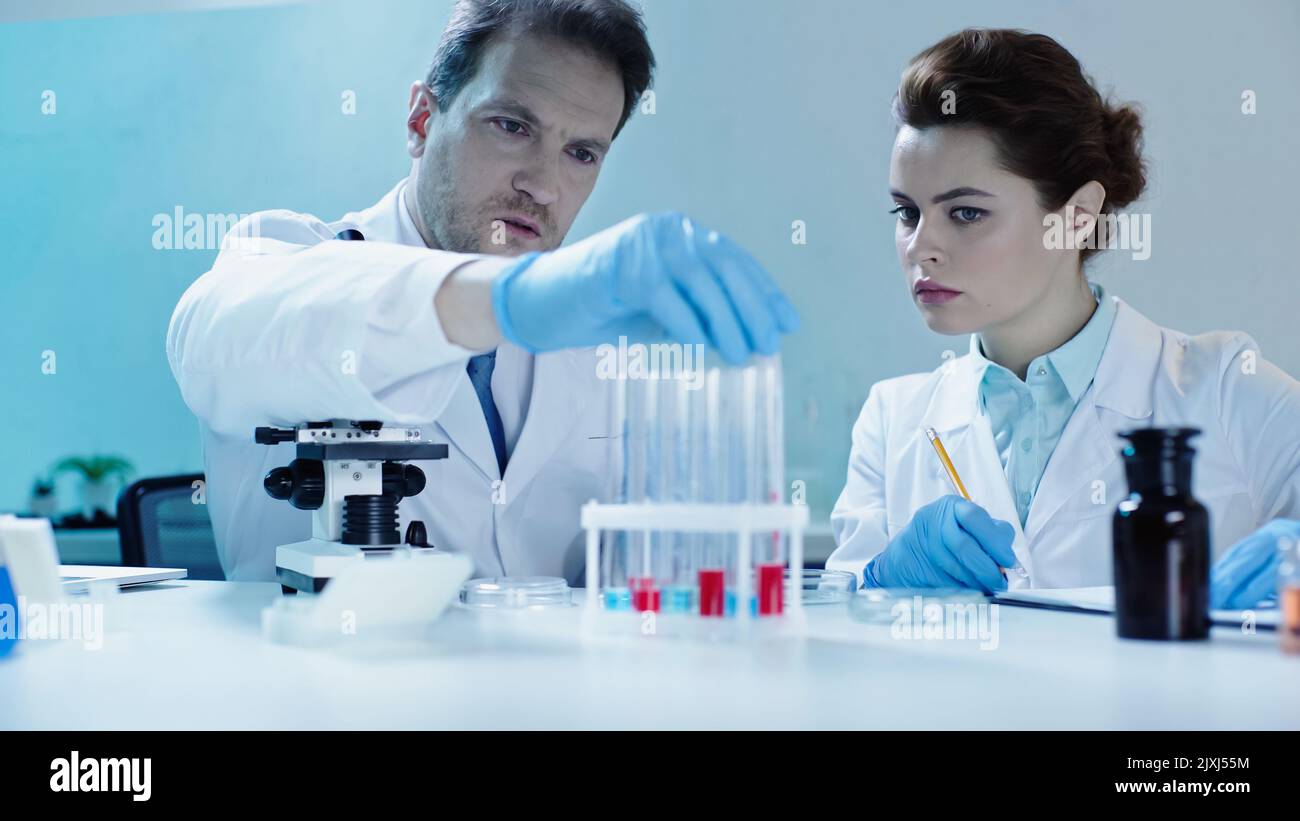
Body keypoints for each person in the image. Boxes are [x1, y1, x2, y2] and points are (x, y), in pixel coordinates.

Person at [167, 0, 798, 582]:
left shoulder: (595, 341)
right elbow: (212, 335)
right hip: (335, 696)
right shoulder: (294, 256)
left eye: (581, 153)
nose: (544, 186)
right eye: (512, 126)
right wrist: (506, 301)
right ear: (421, 120)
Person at [827, 28, 1299, 609]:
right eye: (907, 212)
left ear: (1077, 217)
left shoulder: (1225, 387)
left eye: (966, 212)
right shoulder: (891, 422)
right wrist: (879, 582)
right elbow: (833, 648)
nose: (921, 248)